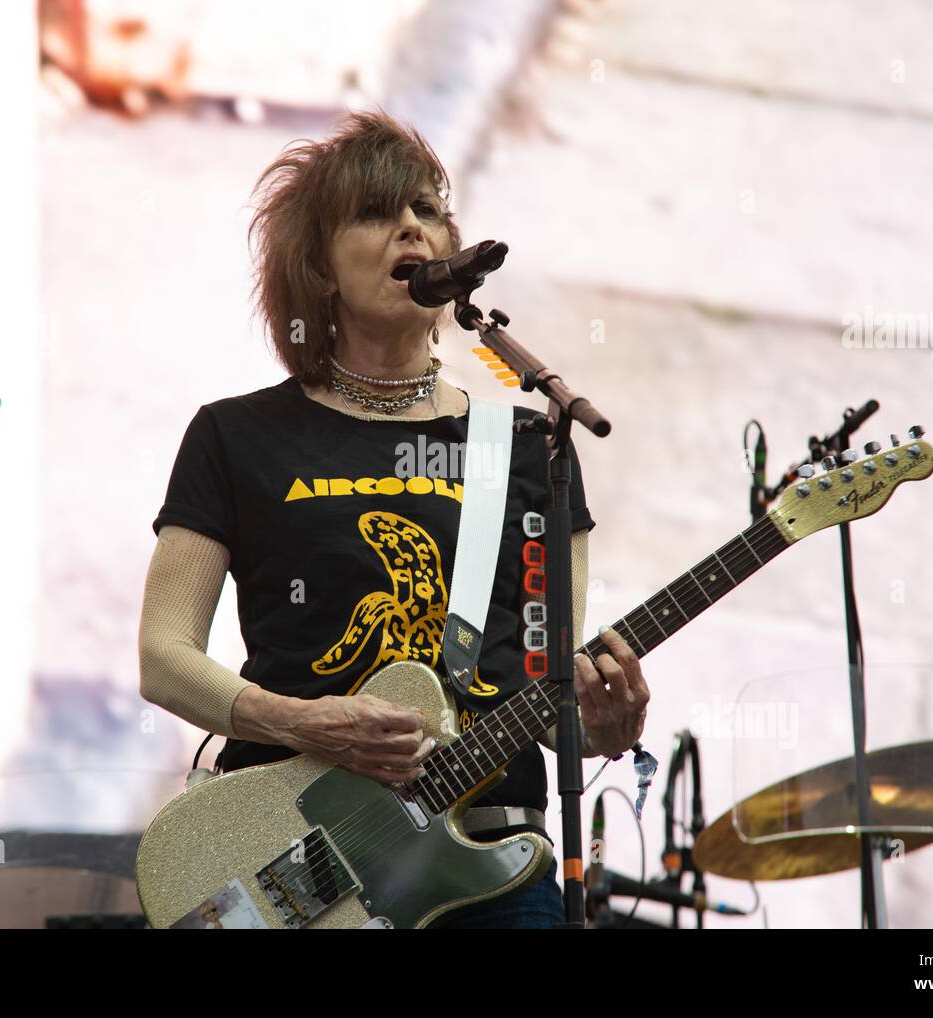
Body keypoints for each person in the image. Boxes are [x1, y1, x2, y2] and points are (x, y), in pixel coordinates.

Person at [138, 108, 649, 929]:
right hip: (297, 865)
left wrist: (602, 726)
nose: (411, 226)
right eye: (377, 213)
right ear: (319, 268)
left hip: (491, 874)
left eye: (428, 210)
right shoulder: (236, 436)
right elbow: (164, 658)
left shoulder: (526, 446)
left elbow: (547, 695)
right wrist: (307, 723)